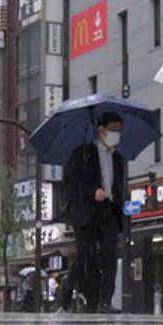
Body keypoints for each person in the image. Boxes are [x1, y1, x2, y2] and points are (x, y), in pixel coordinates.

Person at [63, 112, 127, 314]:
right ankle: (67, 287)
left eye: (119, 130)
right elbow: (71, 183)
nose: (117, 134)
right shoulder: (81, 155)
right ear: (101, 131)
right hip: (85, 212)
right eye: (113, 130)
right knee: (85, 257)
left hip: (109, 211)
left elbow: (119, 187)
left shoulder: (118, 159)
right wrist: (92, 192)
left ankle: (105, 301)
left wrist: (119, 207)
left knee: (110, 255)